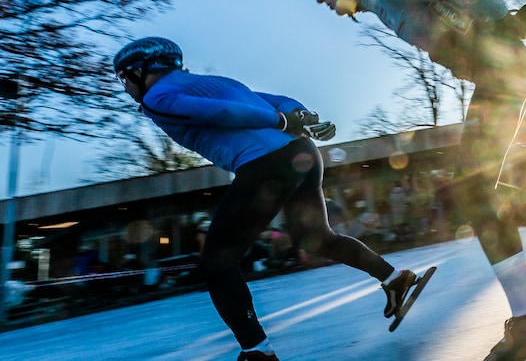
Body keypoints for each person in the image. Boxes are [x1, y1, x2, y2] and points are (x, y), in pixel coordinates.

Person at [301, 0, 526, 361]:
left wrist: (504, 24)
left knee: (473, 192)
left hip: (503, 74)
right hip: (501, 75)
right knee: (481, 191)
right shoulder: (381, 1)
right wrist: (501, 30)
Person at [113, 37, 421, 361]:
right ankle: (394, 278)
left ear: (140, 70)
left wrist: (281, 121)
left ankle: (257, 352)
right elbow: (276, 100)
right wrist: (302, 116)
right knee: (317, 239)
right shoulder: (215, 82)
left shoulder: (157, 96)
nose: (125, 87)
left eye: (123, 78)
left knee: (217, 262)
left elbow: (220, 112)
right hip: (302, 153)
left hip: (265, 164)